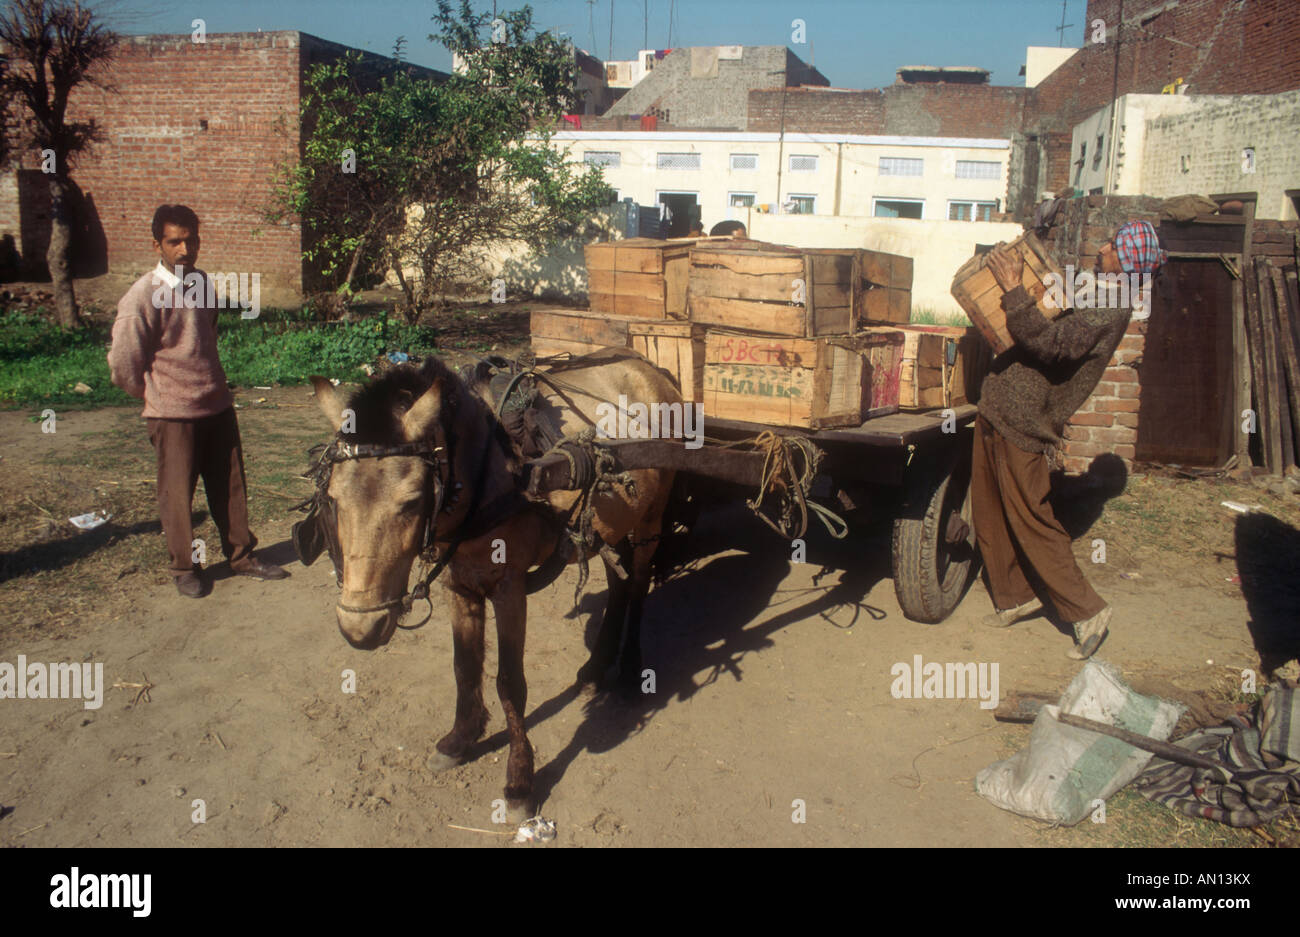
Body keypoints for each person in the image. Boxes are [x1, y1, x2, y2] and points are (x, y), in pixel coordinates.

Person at [971, 220, 1165, 659]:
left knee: (1031, 516)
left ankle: (1087, 610)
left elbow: (1051, 344)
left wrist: (1013, 288)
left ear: (1126, 262)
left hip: (1025, 417)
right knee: (990, 510)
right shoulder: (1095, 289)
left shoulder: (1111, 305)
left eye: (1113, 245)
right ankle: (1015, 596)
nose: (1103, 248)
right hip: (999, 405)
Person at [108, 204, 288, 598]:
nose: (184, 250)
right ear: (157, 245)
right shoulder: (142, 296)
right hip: (173, 416)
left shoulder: (202, 282)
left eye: (191, 240)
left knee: (231, 488)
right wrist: (154, 396)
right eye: (174, 241)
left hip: (216, 406)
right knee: (177, 495)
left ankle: (241, 556)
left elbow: (207, 334)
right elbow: (123, 364)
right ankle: (184, 568)